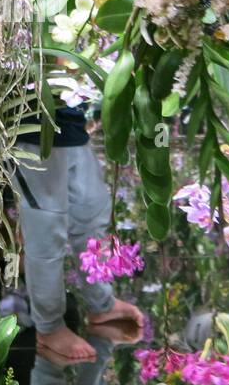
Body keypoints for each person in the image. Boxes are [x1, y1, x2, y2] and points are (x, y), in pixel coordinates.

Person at [14, 104, 143, 366]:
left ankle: (102, 303)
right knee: (46, 235)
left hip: (71, 128)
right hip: (30, 133)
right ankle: (48, 327)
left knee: (94, 214)